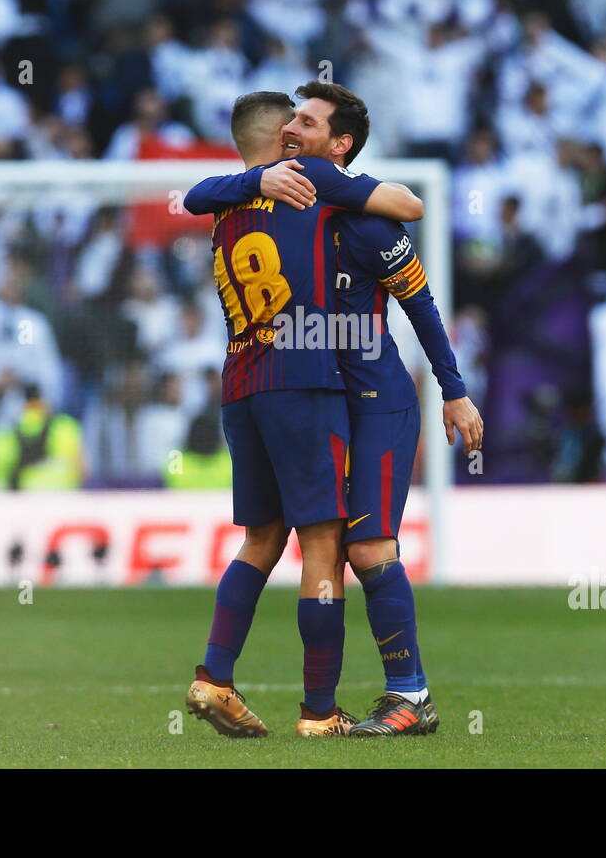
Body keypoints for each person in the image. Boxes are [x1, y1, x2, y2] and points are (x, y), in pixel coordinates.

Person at [188, 82, 483, 736]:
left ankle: (409, 694)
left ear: (338, 146)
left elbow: (420, 300)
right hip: (314, 394)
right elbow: (201, 193)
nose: (295, 129)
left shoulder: (356, 215)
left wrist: (453, 389)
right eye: (290, 120)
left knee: (365, 545)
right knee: (315, 542)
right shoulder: (282, 204)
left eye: (308, 121)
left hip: (374, 400)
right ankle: (323, 709)